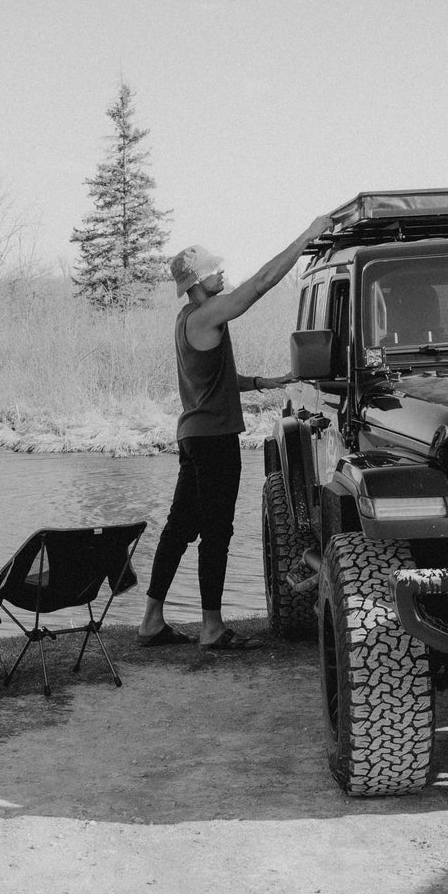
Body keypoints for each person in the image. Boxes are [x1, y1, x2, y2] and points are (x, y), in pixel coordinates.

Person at [137, 212, 337, 651]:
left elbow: (214, 379)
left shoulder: (188, 319)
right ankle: (211, 628)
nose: (223, 274)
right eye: (216, 270)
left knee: (178, 529)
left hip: (193, 436)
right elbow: (261, 284)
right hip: (213, 442)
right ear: (199, 279)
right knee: (217, 531)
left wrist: (263, 383)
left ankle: (151, 620)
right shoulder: (207, 314)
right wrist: (307, 234)